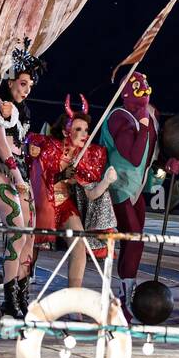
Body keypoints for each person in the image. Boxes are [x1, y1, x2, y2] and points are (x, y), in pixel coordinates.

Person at [0, 43, 45, 318]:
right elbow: (2, 146)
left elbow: (17, 143)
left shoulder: (23, 110)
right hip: (0, 170)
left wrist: (30, 151)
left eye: (29, 85)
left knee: (30, 234)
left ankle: (20, 294)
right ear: (10, 80)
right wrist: (17, 176)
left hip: (21, 173)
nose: (26, 89)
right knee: (17, 229)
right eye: (23, 83)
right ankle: (8, 297)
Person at [103, 71, 177, 320]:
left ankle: (125, 296)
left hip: (136, 187)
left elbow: (154, 152)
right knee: (133, 240)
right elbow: (134, 156)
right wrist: (144, 123)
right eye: (138, 88)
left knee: (136, 242)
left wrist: (169, 161)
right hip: (117, 186)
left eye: (146, 87)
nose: (144, 92)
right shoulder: (118, 117)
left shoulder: (152, 115)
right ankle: (123, 299)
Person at [29, 101, 115, 289]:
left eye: (86, 129)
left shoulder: (84, 157)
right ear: (67, 130)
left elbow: (91, 194)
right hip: (42, 205)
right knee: (31, 246)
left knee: (79, 245)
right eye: (79, 129)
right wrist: (33, 150)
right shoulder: (49, 146)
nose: (85, 134)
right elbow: (38, 176)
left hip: (65, 205)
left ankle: (73, 295)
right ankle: (21, 288)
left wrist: (106, 181)